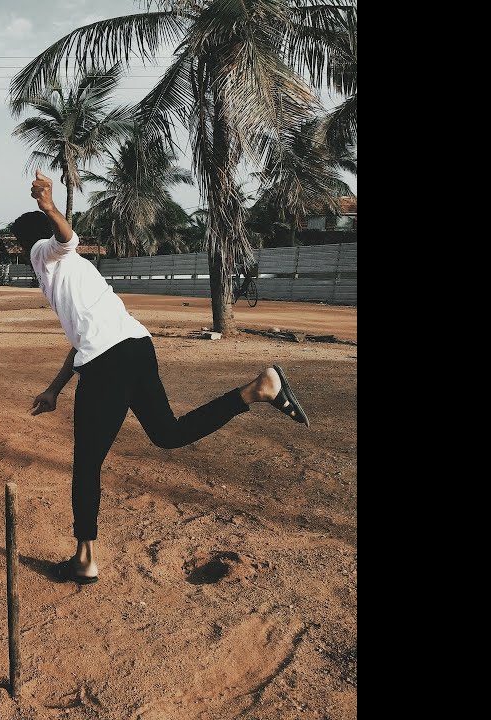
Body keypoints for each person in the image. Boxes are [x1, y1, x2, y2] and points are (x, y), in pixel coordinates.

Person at [20, 171, 310, 585]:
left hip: (109, 362)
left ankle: (85, 560)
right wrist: (54, 389)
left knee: (86, 464)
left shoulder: (45, 255)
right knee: (168, 433)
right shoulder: (77, 275)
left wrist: (49, 209)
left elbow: (65, 239)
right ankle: (256, 389)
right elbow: (84, 337)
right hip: (136, 346)